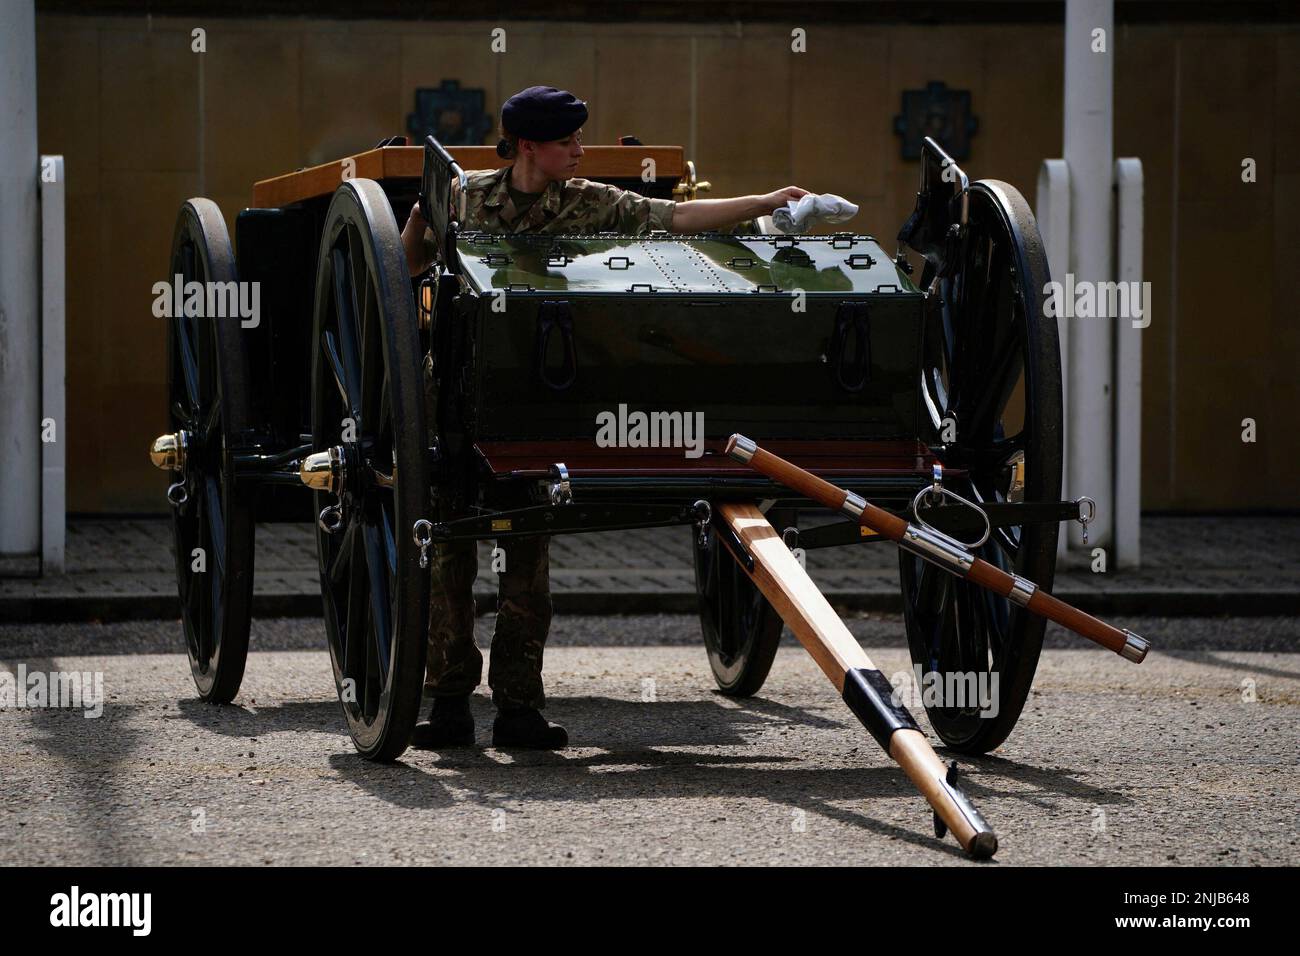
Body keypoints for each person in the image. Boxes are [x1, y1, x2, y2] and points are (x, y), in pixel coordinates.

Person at [401, 86, 810, 750]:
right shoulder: (463, 197)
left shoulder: (590, 200)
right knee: (449, 559)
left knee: (526, 560)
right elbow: (408, 266)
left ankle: (517, 710)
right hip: (458, 402)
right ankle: (447, 704)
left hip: (539, 400)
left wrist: (763, 202)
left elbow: (672, 220)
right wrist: (420, 222)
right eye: (567, 142)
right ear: (528, 145)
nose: (580, 151)